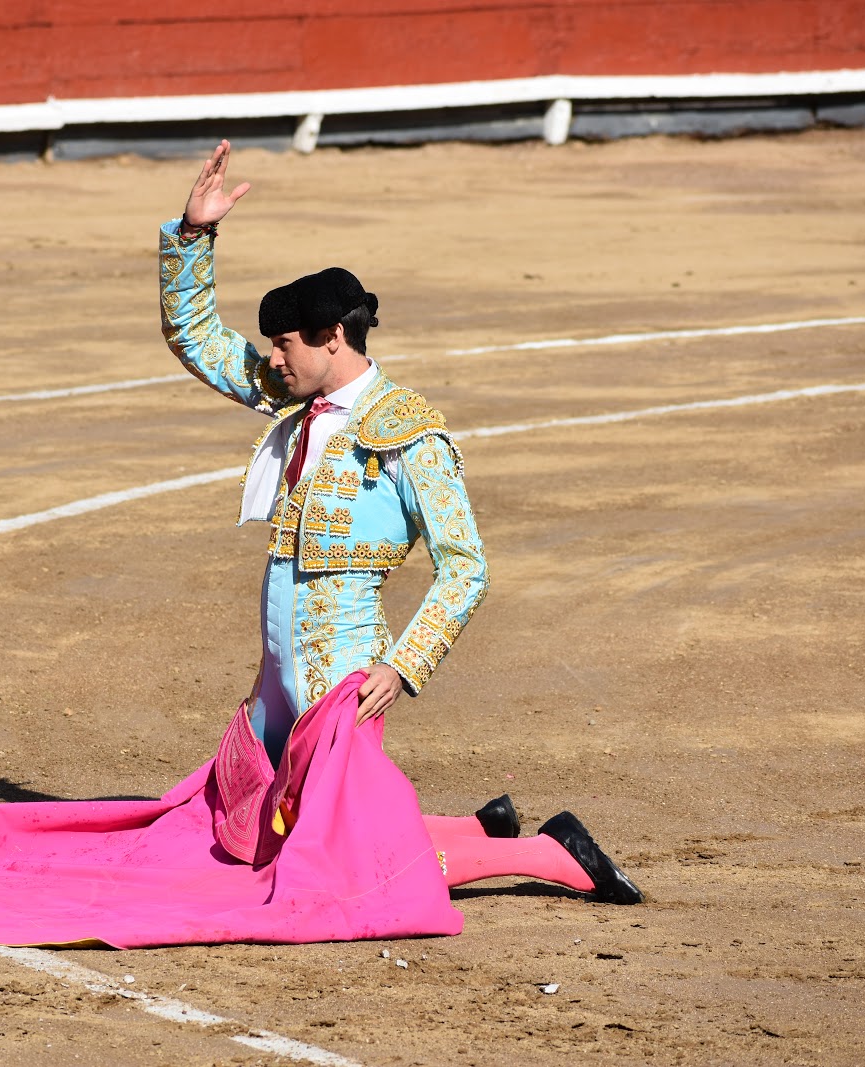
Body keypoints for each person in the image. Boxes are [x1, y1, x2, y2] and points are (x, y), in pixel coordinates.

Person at [160, 140, 641, 904]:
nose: (273, 359)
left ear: (333, 338)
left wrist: (403, 665)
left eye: (285, 344)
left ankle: (555, 853)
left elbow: (466, 566)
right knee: (255, 835)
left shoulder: (409, 432)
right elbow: (196, 340)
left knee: (351, 865)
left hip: (341, 678)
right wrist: (194, 234)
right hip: (276, 677)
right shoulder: (296, 397)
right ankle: (482, 828)